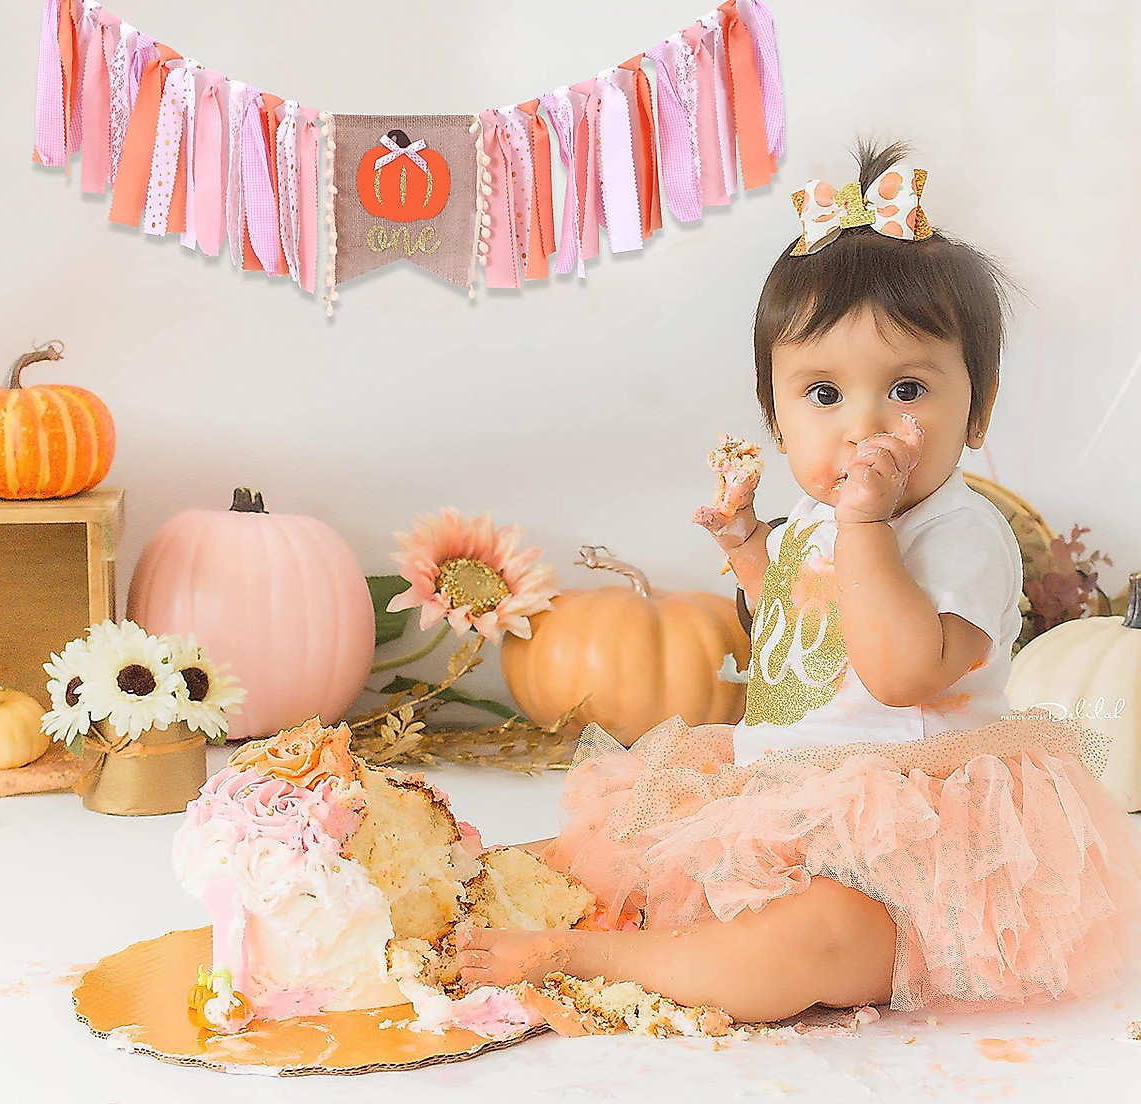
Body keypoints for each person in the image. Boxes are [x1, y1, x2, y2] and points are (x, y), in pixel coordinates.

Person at [454, 140, 1141, 1023]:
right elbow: (802, 624)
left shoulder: (963, 530)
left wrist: (861, 527)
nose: (863, 426)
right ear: (776, 419)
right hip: (777, 795)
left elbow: (899, 672)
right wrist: (751, 550)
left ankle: (587, 954)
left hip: (902, 841)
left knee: (822, 937)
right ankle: (474, 879)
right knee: (610, 844)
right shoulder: (822, 522)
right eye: (823, 395)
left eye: (906, 389)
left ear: (981, 407)